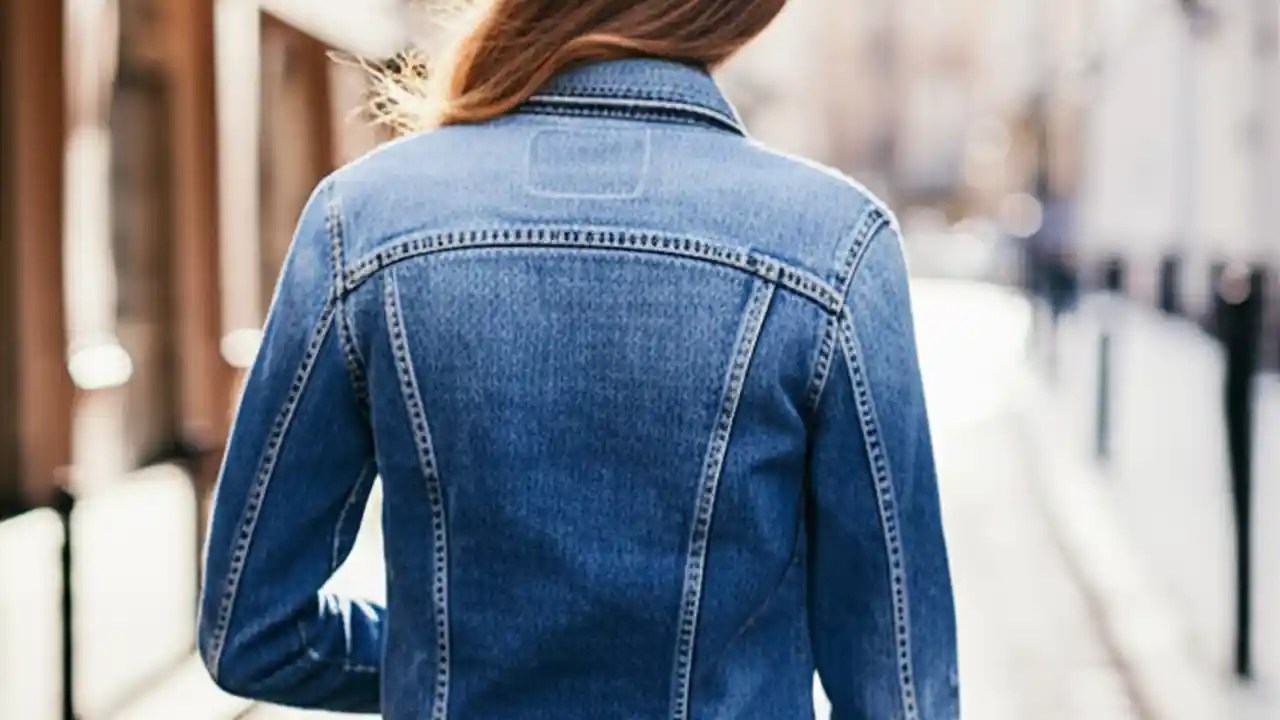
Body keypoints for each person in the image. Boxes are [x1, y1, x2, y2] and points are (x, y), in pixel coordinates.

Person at [197, 1, 958, 718]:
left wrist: (448, 660)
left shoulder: (359, 221)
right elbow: (899, 693)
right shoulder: (836, 246)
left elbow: (251, 630)